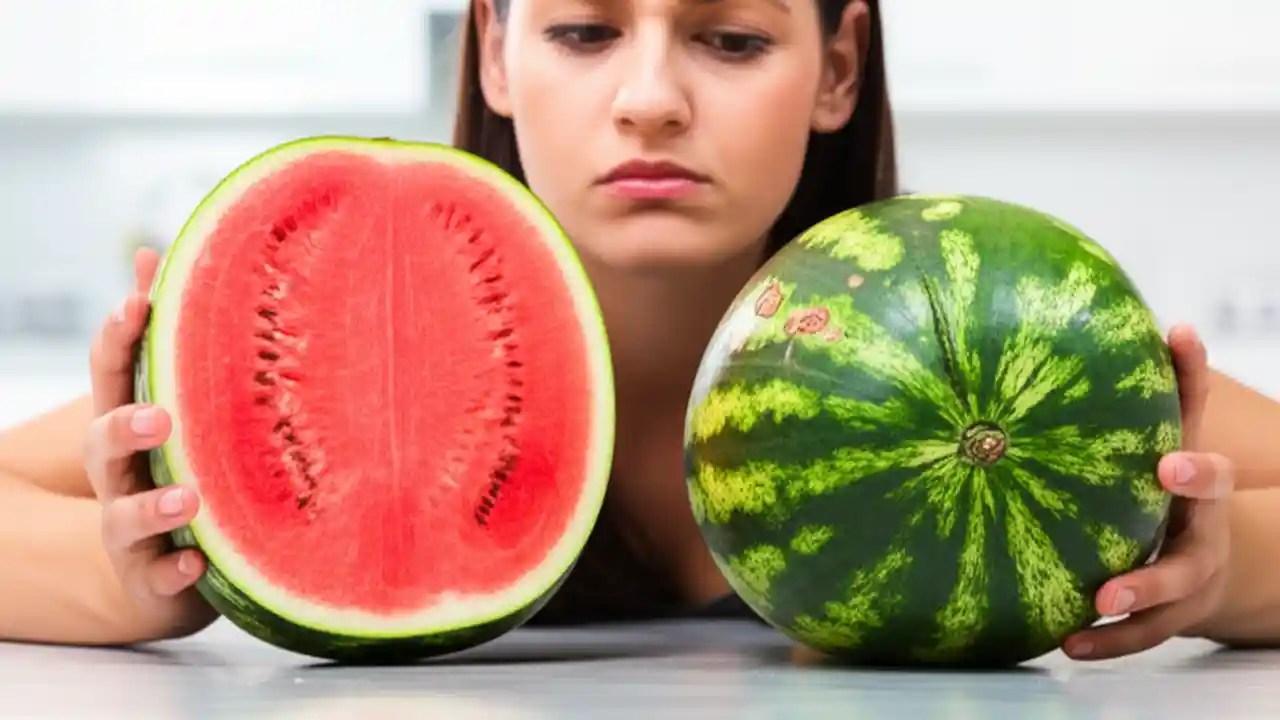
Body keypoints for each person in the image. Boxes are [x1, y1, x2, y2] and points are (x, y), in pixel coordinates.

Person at [3, 0, 1280, 662]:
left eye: (729, 39)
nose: (651, 99)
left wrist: (1225, 574)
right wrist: (118, 583)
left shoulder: (967, 349)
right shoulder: (369, 336)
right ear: (494, 55)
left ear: (836, 68)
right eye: (581, 32)